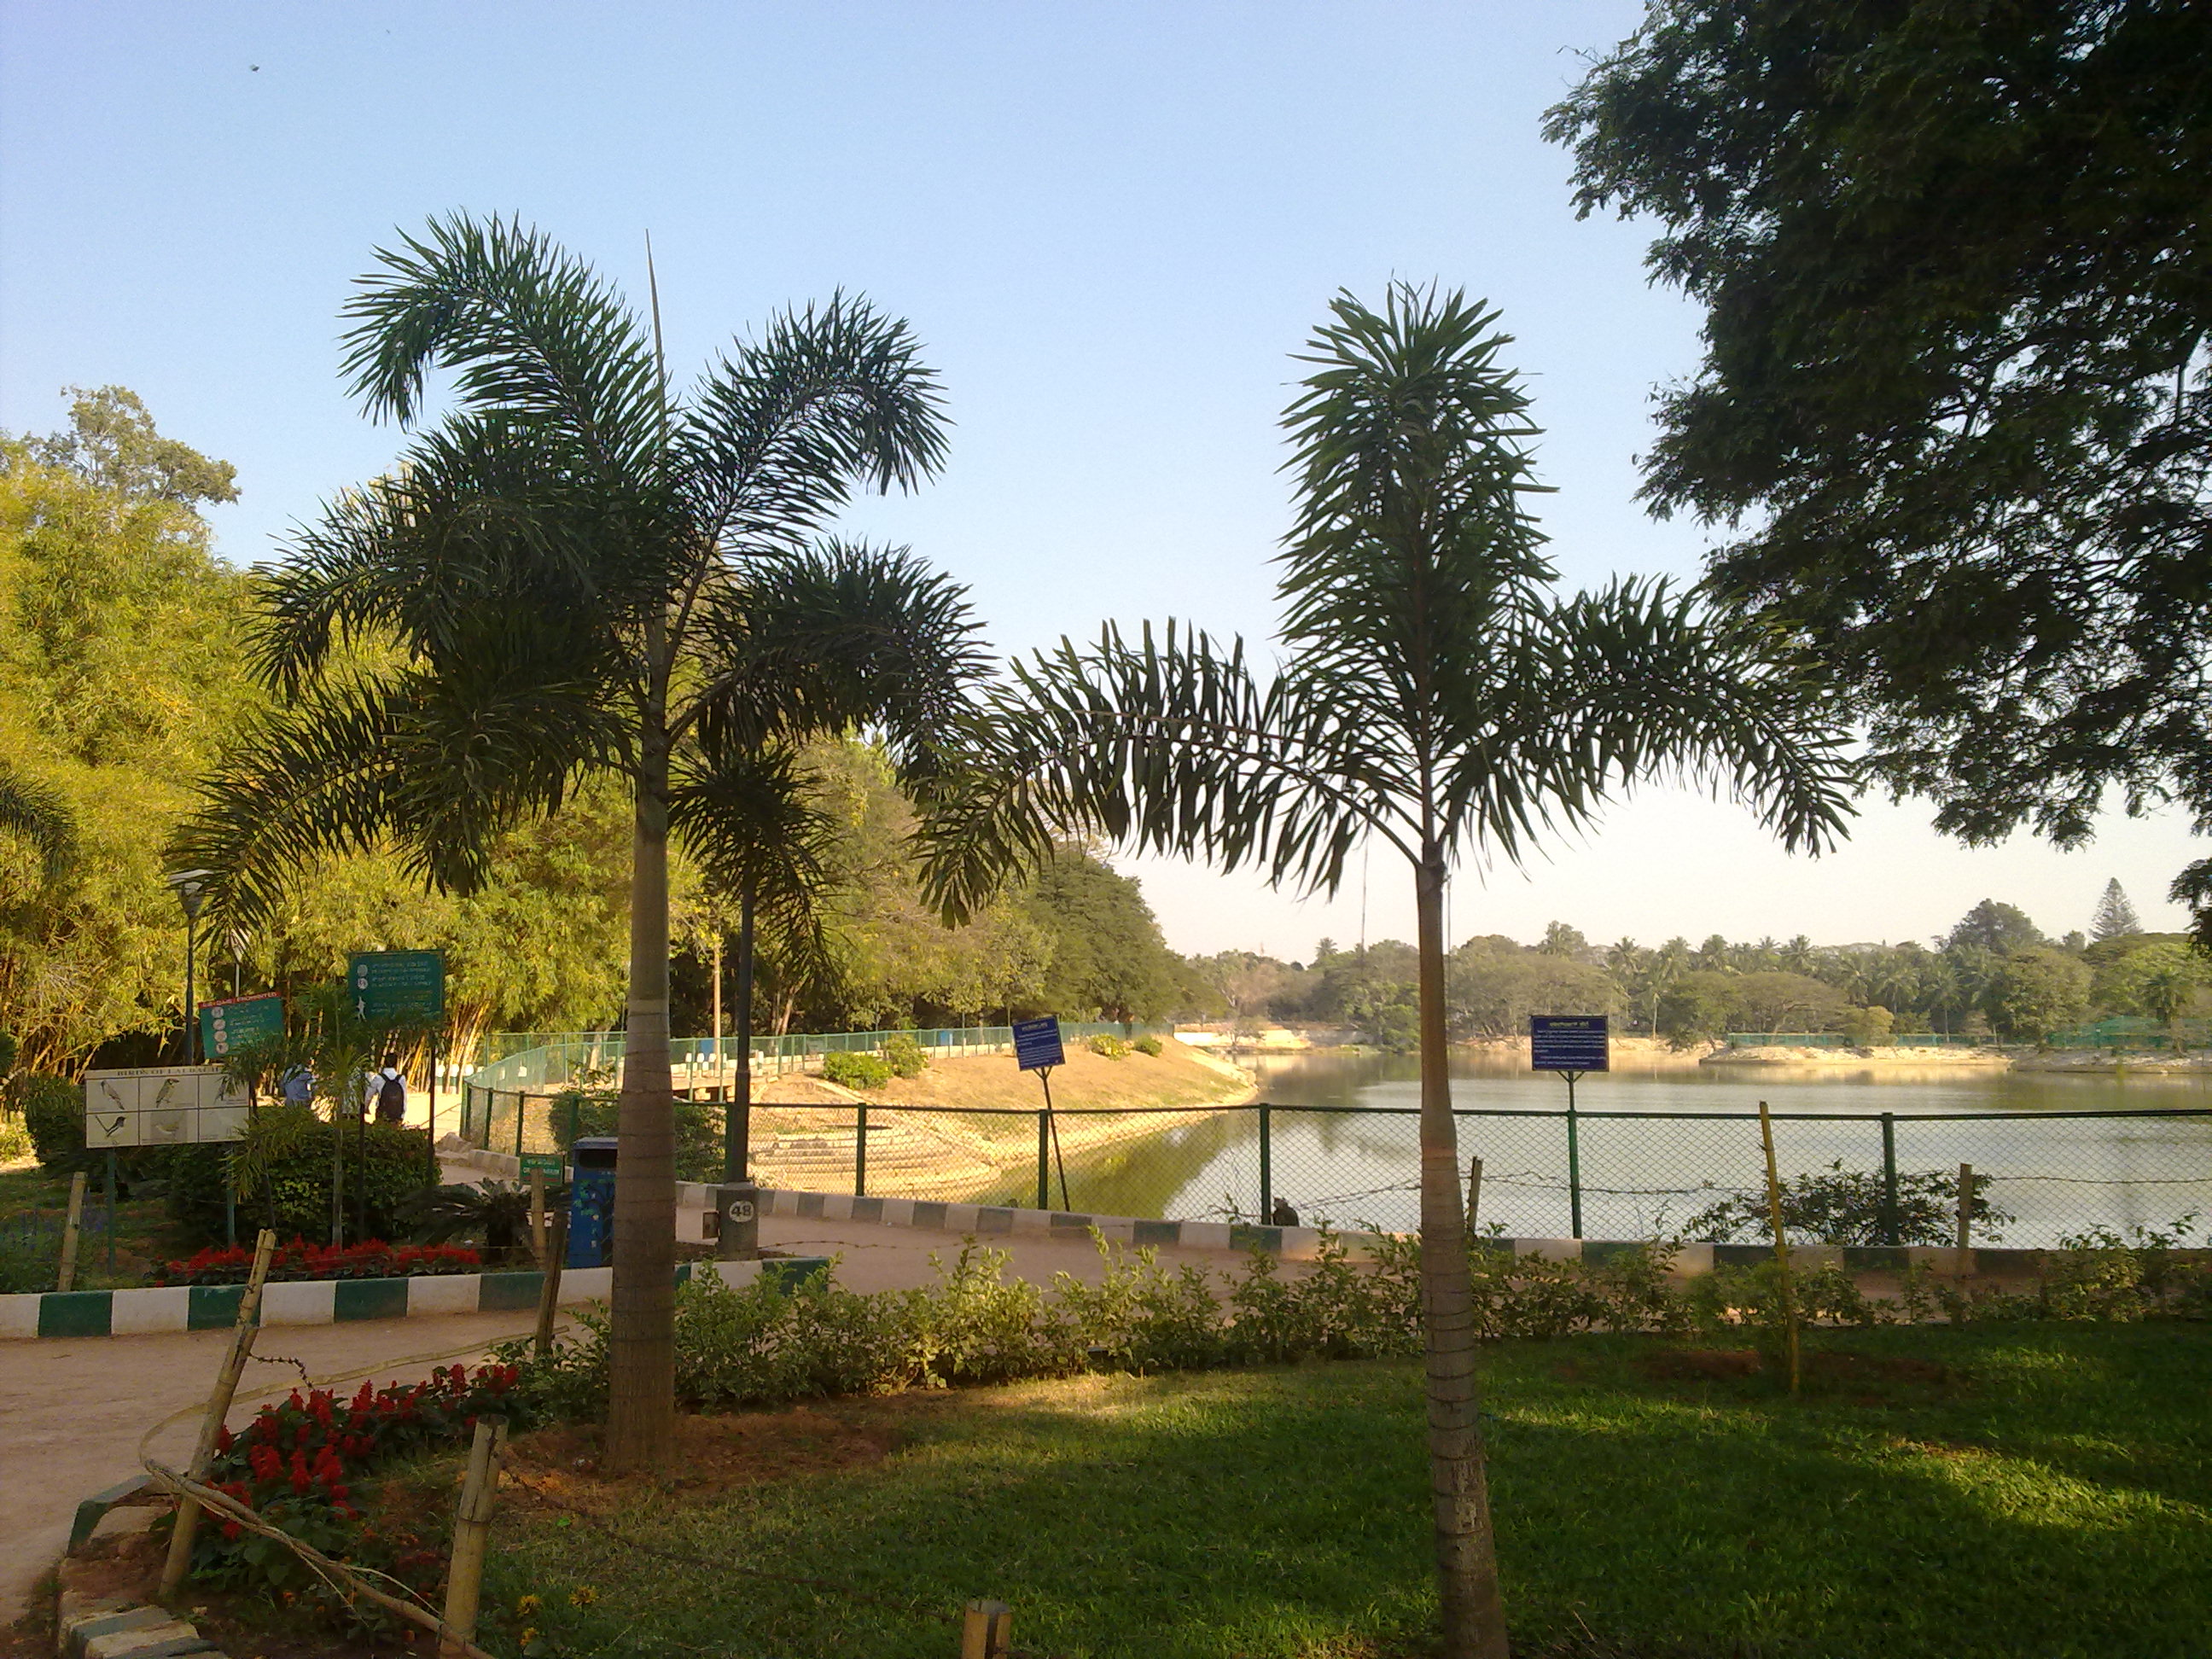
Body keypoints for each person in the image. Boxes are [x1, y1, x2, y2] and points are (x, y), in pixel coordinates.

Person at [370, 1055, 407, 1125]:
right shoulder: (401, 1078)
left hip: (382, 1115)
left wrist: (365, 1108)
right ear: (396, 1064)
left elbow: (368, 1096)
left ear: (384, 1063)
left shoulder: (379, 1078)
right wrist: (402, 1115)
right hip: (397, 1115)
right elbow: (404, 1098)